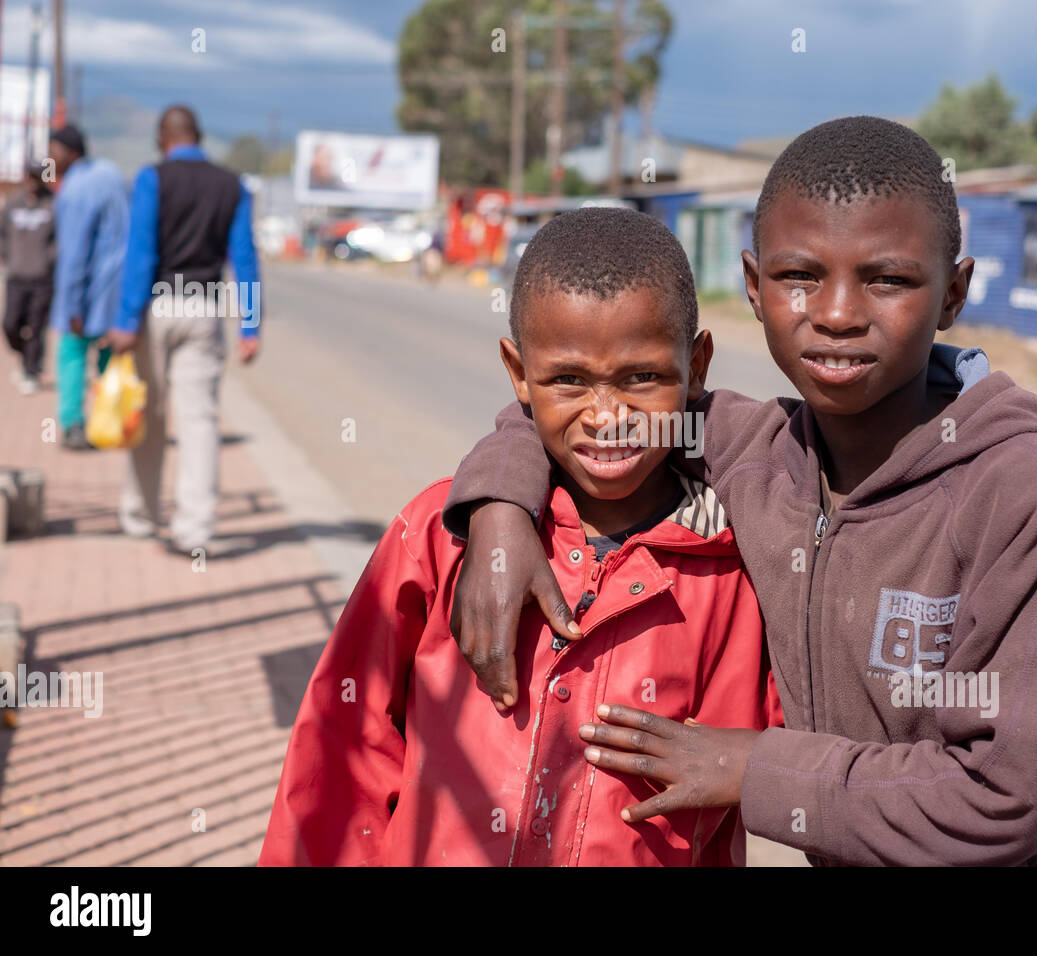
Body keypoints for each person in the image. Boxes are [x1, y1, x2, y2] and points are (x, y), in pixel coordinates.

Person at [442, 117, 1037, 865]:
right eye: (800, 276)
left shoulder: (1024, 496)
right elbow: (592, 414)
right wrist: (500, 511)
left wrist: (752, 768)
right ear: (755, 288)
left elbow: (1006, 798)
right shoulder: (751, 450)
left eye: (888, 279)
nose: (838, 313)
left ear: (953, 293)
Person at [259, 209, 780, 866]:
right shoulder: (441, 537)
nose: (608, 416)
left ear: (696, 363)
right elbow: (345, 744)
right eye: (568, 380)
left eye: (642, 377)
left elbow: (812, 736)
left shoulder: (740, 567)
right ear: (518, 372)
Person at [108, 105, 262, 556]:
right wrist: (249, 326)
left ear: (163, 138)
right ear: (200, 136)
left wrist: (124, 320)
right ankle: (194, 529)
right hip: (205, 310)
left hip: (157, 306)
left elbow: (139, 254)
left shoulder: (152, 178)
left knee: (148, 416)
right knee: (198, 421)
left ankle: (140, 514)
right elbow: (245, 261)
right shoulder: (232, 186)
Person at [48, 125, 128, 450]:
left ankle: (72, 426)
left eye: (55, 151)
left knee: (72, 353)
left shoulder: (77, 188)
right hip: (117, 291)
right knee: (109, 356)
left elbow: (75, 255)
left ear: (72, 153)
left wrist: (73, 307)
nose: (51, 158)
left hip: (89, 292)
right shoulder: (110, 174)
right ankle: (108, 423)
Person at [1, 161, 57, 395]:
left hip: (42, 278)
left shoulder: (53, 204)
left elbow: (60, 239)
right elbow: (2, 234)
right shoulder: (13, 204)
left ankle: (31, 370)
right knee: (10, 324)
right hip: (17, 276)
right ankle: (25, 356)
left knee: (36, 326)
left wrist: (51, 261)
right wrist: (8, 257)